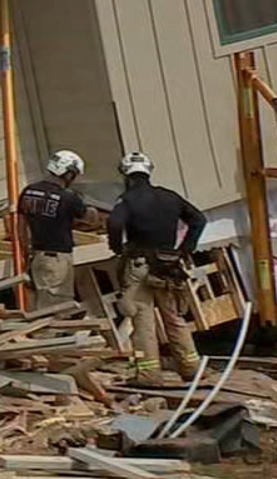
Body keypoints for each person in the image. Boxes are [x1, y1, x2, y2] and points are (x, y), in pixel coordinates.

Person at [106, 151, 207, 386]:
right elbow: (198, 220)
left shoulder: (128, 200)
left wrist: (117, 248)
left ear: (126, 175)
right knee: (174, 318)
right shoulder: (170, 197)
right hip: (169, 267)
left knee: (143, 320)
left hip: (140, 265)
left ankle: (149, 374)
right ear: (149, 171)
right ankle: (191, 368)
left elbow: (114, 223)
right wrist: (185, 249)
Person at [17, 150, 97, 309]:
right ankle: (47, 335)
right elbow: (90, 219)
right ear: (67, 174)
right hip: (57, 260)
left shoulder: (29, 191)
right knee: (57, 308)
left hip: (38, 256)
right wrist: (89, 207)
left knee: (42, 303)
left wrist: (26, 254)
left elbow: (20, 228)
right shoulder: (68, 197)